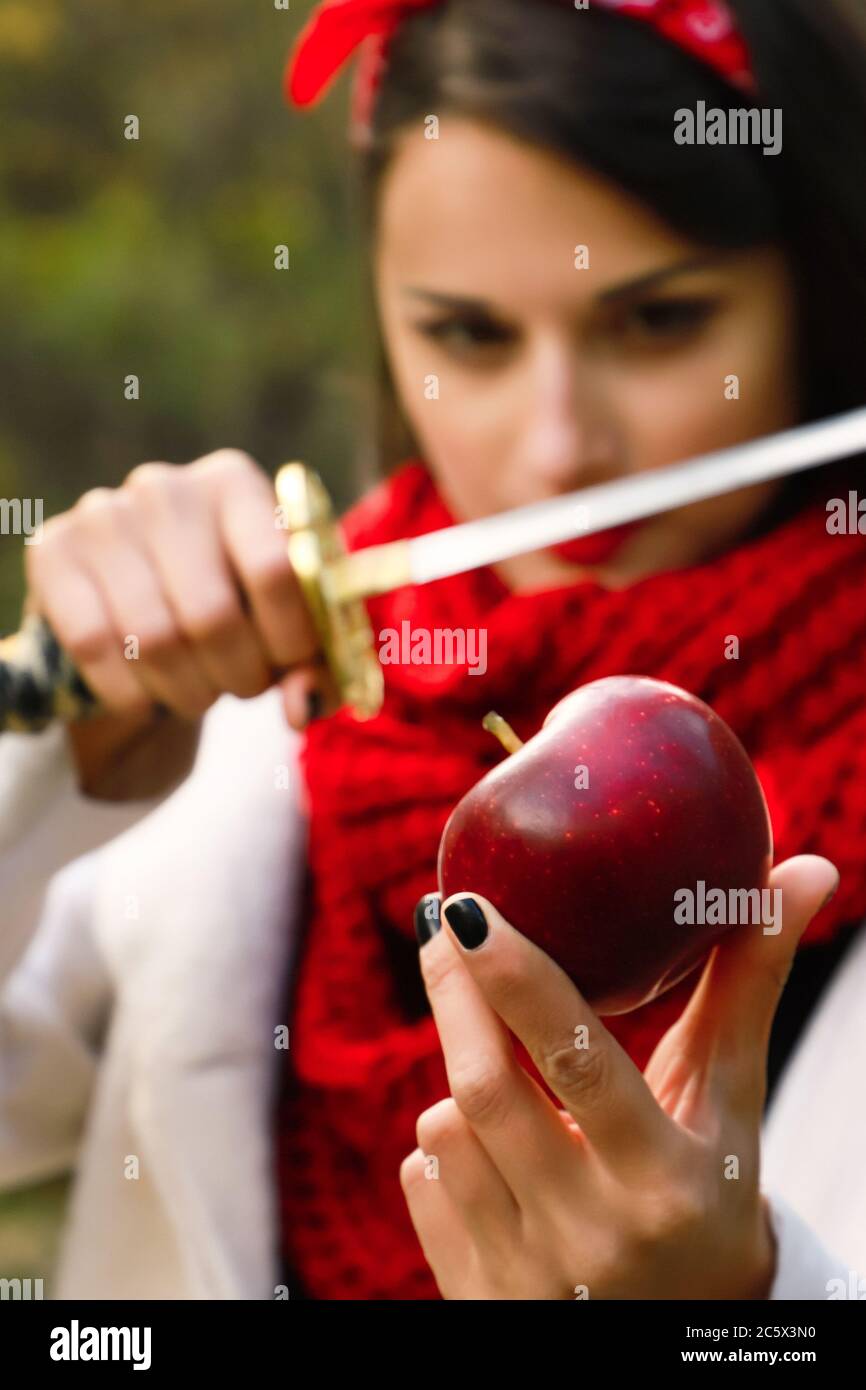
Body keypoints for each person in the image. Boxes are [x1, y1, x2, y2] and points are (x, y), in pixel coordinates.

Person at [1, 0, 865, 1300]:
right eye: (469, 335)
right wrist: (53, 742)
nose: (558, 445)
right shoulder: (243, 727)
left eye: (658, 320)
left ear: (819, 288)